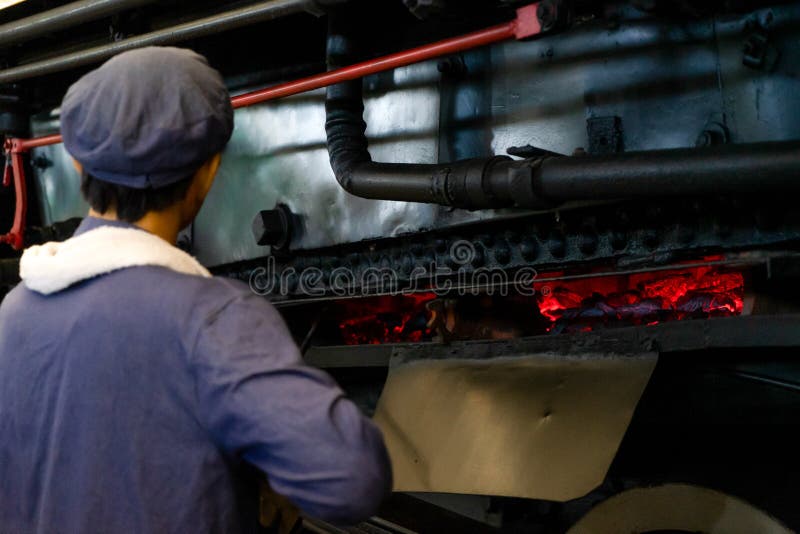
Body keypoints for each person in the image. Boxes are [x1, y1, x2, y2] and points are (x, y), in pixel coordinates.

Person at [0, 46, 392, 533]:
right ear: (208, 172)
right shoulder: (213, 320)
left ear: (79, 168)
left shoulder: (11, 316)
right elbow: (354, 481)